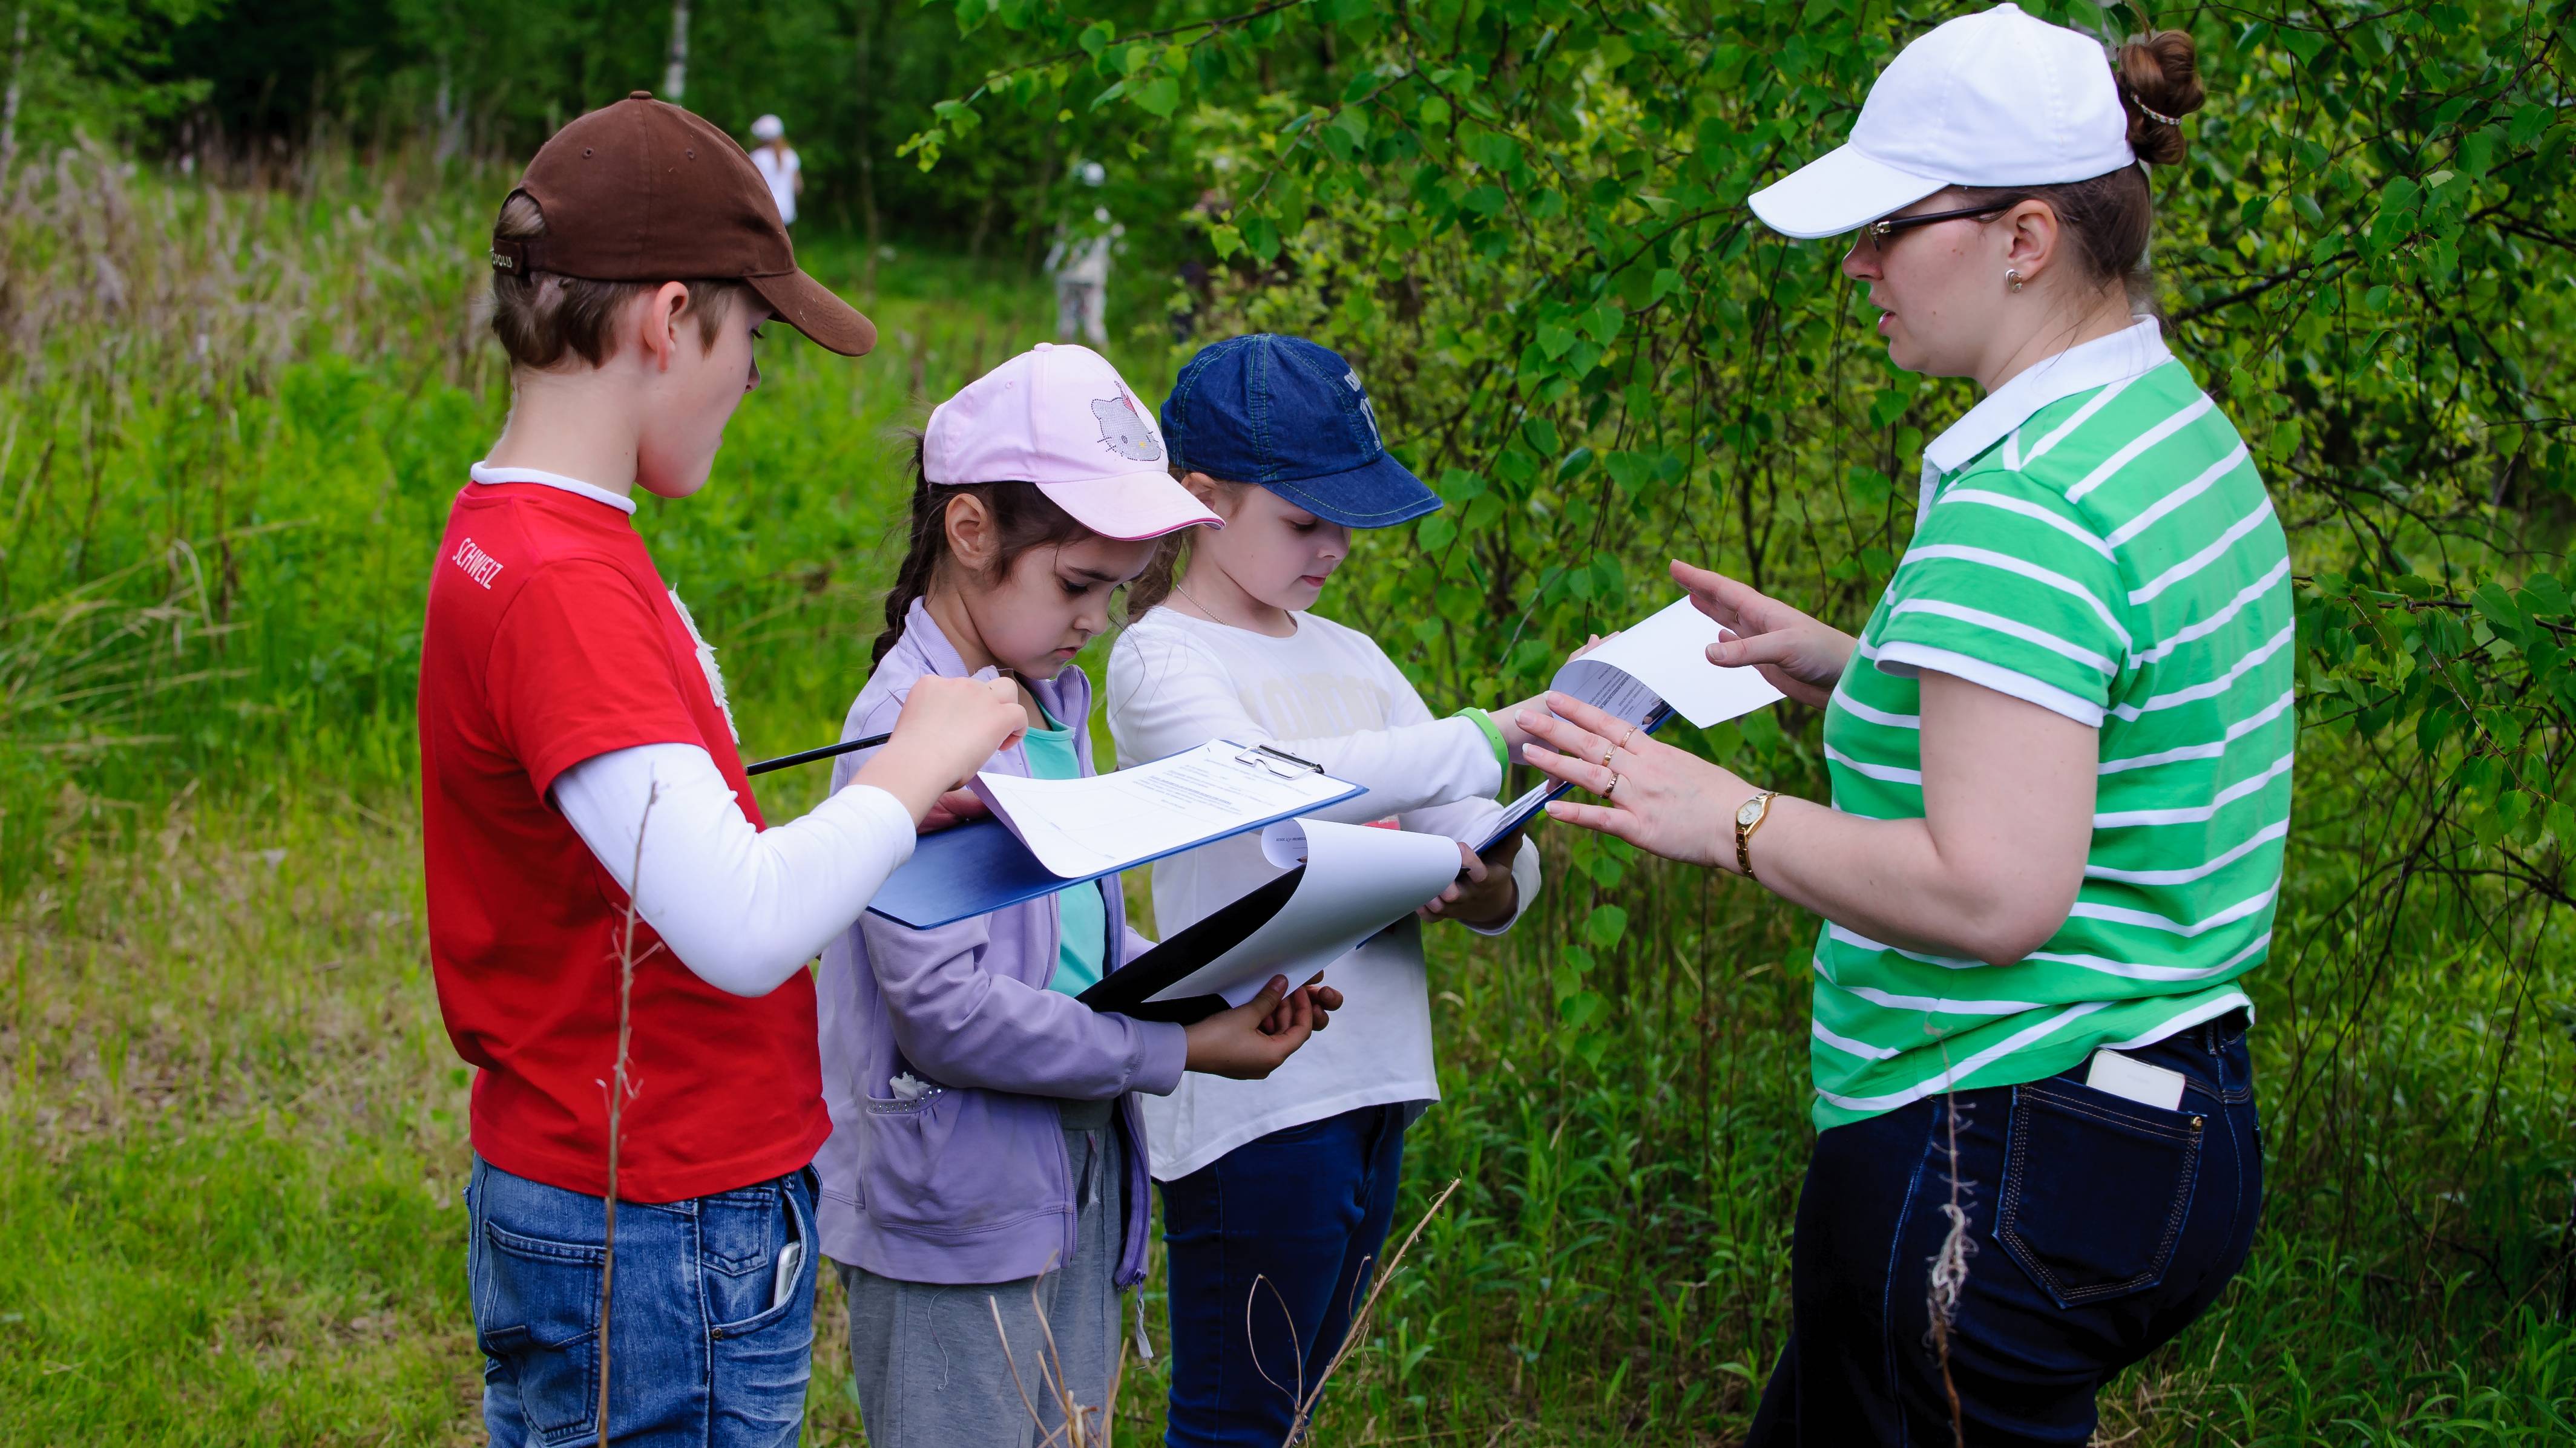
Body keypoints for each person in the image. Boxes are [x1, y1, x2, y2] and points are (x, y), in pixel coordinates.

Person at [1516, 8, 2283, 1444]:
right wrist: (1862, 668)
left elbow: (1994, 890)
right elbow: (2106, 713)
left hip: (1997, 1134)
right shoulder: (2162, 428)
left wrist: (1726, 816)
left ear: (2025, 237)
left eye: (1888, 223)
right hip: (2160, 1099)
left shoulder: (2028, 508)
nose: (1857, 261)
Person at [420, 94, 1028, 1447]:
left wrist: (878, 812)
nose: (751, 378)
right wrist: (907, 759)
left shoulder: (519, 533)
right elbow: (741, 925)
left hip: (601, 1190)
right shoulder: (566, 586)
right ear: (667, 317)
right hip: (661, 1217)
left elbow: (665, 855)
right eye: (751, 339)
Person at [815, 341, 1344, 1448]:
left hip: (1076, 1176)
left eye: (1113, 589)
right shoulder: (902, 731)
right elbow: (947, 1012)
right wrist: (1179, 1050)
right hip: (954, 1212)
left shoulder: (1051, 704)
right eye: (1076, 583)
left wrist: (1224, 971)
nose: (1096, 616)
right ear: (970, 532)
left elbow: (1065, 936)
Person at [1106, 333, 1552, 1447]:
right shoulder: (1162, 660)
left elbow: (1486, 837)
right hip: (1252, 1098)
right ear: (1199, 500)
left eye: (1345, 520)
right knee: (1234, 1416)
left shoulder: (1352, 653)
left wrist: (1487, 875)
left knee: (1295, 1403)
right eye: (1304, 521)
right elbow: (1269, 806)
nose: (1336, 548)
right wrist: (1482, 736)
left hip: (1376, 1081)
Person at [1048, 161, 1115, 347]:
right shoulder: (1103, 216)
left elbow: (1059, 245)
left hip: (1073, 274)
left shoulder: (1072, 213)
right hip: (1090, 276)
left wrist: (1051, 267)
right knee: (1088, 325)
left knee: (1071, 325)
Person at [749, 113, 801, 228]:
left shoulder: (757, 157)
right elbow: (798, 187)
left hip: (766, 211)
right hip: (787, 213)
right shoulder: (790, 155)